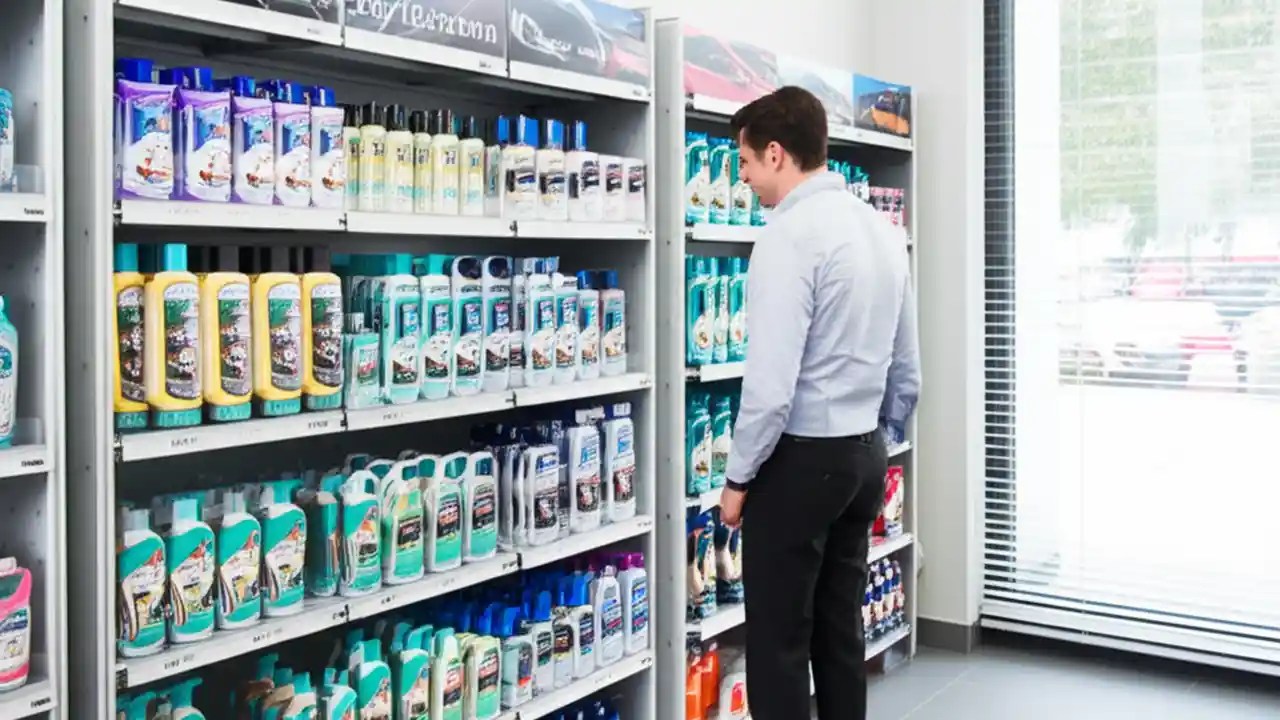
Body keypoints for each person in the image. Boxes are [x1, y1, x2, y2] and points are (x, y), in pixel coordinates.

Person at [718, 86, 920, 720]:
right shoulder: (883, 231)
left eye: (746, 162)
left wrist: (738, 477)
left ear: (776, 154)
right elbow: (908, 370)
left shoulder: (787, 237)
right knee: (840, 633)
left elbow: (771, 389)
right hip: (864, 458)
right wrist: (874, 436)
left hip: (802, 465)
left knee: (778, 643)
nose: (745, 179)